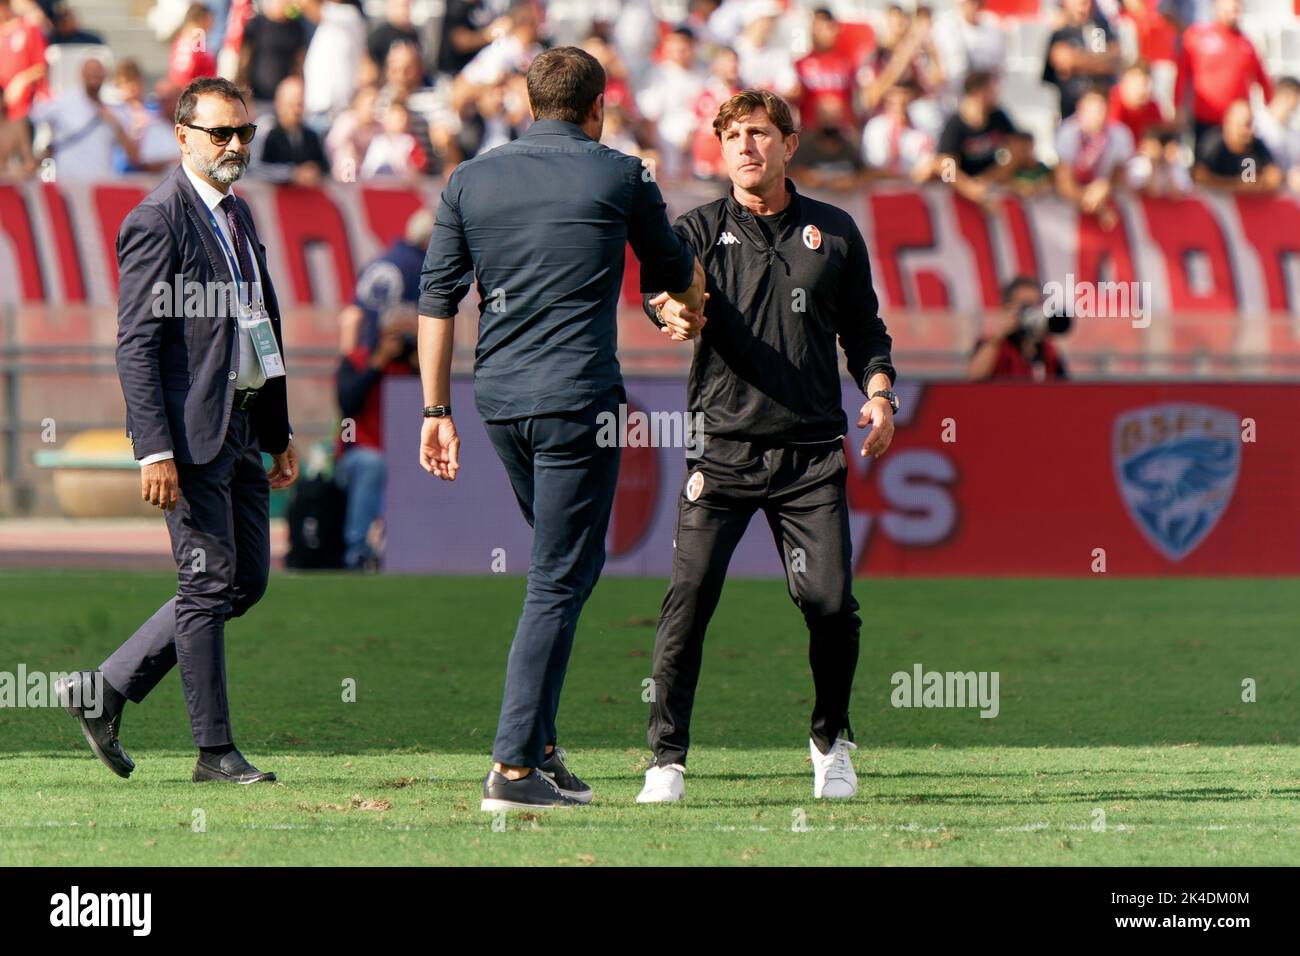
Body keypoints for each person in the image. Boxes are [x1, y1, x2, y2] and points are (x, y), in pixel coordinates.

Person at [417, 46, 704, 811]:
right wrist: (687, 302)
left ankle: (542, 747)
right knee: (559, 577)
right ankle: (512, 769)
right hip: (579, 402)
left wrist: (435, 410)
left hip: (497, 402)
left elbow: (436, 302)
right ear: (597, 107)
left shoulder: (470, 180)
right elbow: (672, 272)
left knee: (561, 572)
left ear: (527, 102)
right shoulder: (621, 173)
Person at [637, 88, 896, 805]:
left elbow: (865, 330)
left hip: (810, 457)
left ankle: (830, 741)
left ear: (788, 143)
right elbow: (658, 291)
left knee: (830, 605)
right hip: (721, 451)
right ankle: (665, 761)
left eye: (759, 133)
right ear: (719, 149)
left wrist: (879, 391)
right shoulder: (694, 231)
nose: (746, 146)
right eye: (733, 135)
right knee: (688, 601)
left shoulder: (835, 233)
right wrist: (669, 315)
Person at [56, 77, 299, 786]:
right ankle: (214, 752)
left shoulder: (239, 214)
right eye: (220, 133)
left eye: (243, 133)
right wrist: (153, 448)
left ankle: (101, 691)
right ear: (183, 136)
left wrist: (277, 430)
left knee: (243, 582)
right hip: (189, 438)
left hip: (243, 428)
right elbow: (135, 344)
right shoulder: (157, 218)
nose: (233, 145)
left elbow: (261, 328)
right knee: (206, 583)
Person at [1174, 0, 1271, 153]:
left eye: (1236, 9)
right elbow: (1182, 75)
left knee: (1246, 167)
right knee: (1205, 165)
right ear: (1216, 8)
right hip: (1206, 120)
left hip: (1238, 126)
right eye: (1228, 8)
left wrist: (1270, 111)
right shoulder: (1196, 37)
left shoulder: (1246, 44)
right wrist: (1179, 107)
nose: (1233, 13)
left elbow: (1262, 80)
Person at [968, 275, 1070, 381]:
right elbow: (974, 377)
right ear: (1008, 307)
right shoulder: (993, 345)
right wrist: (997, 337)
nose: (1034, 312)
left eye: (1038, 305)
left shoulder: (1048, 350)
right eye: (1027, 306)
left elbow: (1064, 388)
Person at [1043, 0, 1121, 120]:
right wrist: (1097, 60)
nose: (1084, 4)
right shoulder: (1061, 33)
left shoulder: (1099, 29)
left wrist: (1077, 60)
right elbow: (1062, 60)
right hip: (1070, 112)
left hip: (1101, 112)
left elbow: (1113, 60)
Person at [1193, 98, 1281, 193]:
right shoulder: (1214, 143)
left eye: (1251, 124)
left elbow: (1274, 176)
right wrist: (1236, 185)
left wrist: (1260, 183)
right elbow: (1199, 175)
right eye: (1246, 125)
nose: (1250, 131)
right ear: (1230, 124)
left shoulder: (1256, 145)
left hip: (1249, 205)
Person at [255, 75, 328, 185]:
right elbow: (255, 169)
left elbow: (325, 167)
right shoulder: (266, 131)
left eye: (300, 105)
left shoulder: (310, 136)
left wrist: (314, 170)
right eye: (291, 105)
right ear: (279, 104)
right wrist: (292, 174)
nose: (296, 111)